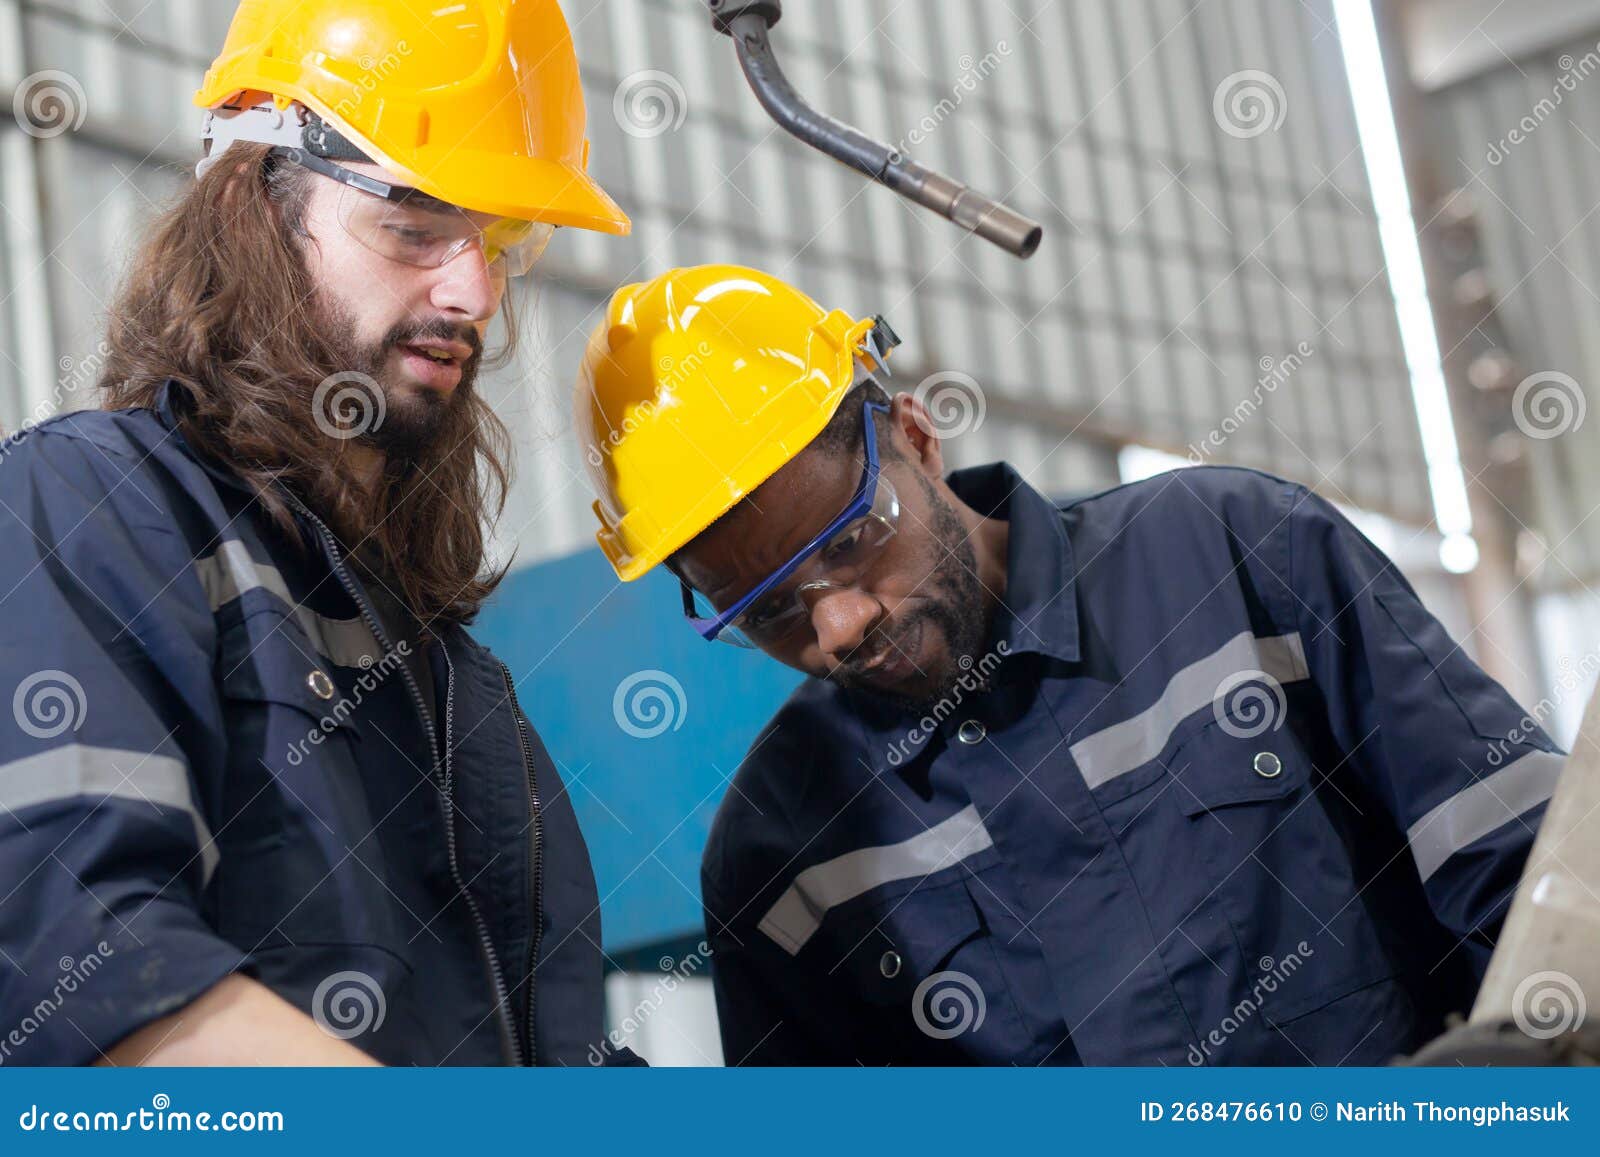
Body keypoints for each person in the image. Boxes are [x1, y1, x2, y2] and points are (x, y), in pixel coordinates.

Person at [574, 263, 1563, 1065]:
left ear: (914, 434)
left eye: (850, 538)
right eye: (768, 608)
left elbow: (1526, 876)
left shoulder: (1235, 556)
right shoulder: (781, 849)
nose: (836, 624)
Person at [0, 0, 632, 1066]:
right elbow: (84, 960)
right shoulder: (87, 503)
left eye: (499, 240)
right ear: (254, 200)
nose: (472, 290)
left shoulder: (457, 684)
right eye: (413, 226)